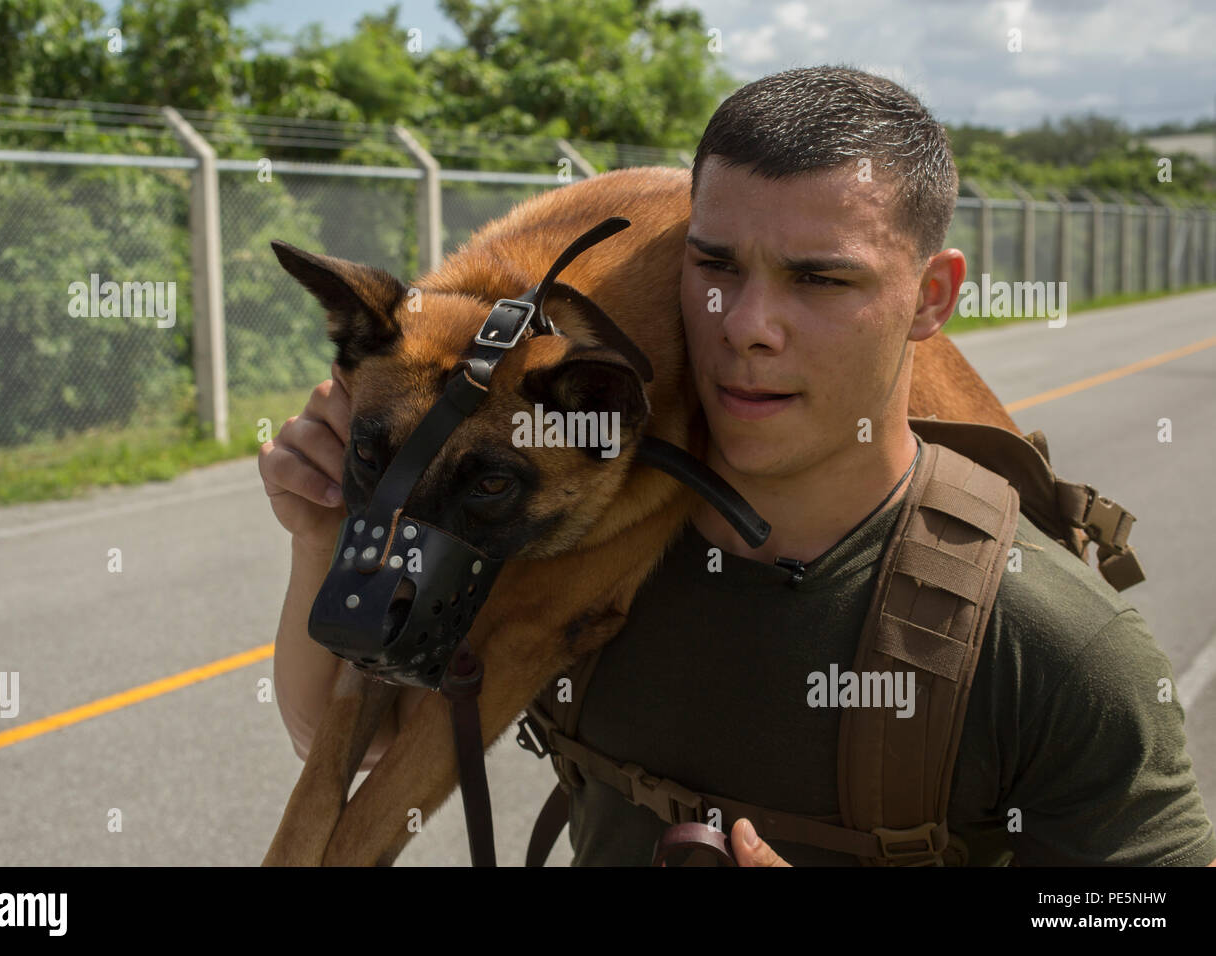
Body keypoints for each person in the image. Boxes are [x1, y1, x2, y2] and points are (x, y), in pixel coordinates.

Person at [259, 67, 1216, 867]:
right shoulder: (569, 525)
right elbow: (357, 741)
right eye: (715, 267)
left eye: (820, 277)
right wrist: (320, 541)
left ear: (931, 298)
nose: (748, 326)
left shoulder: (1047, 641)